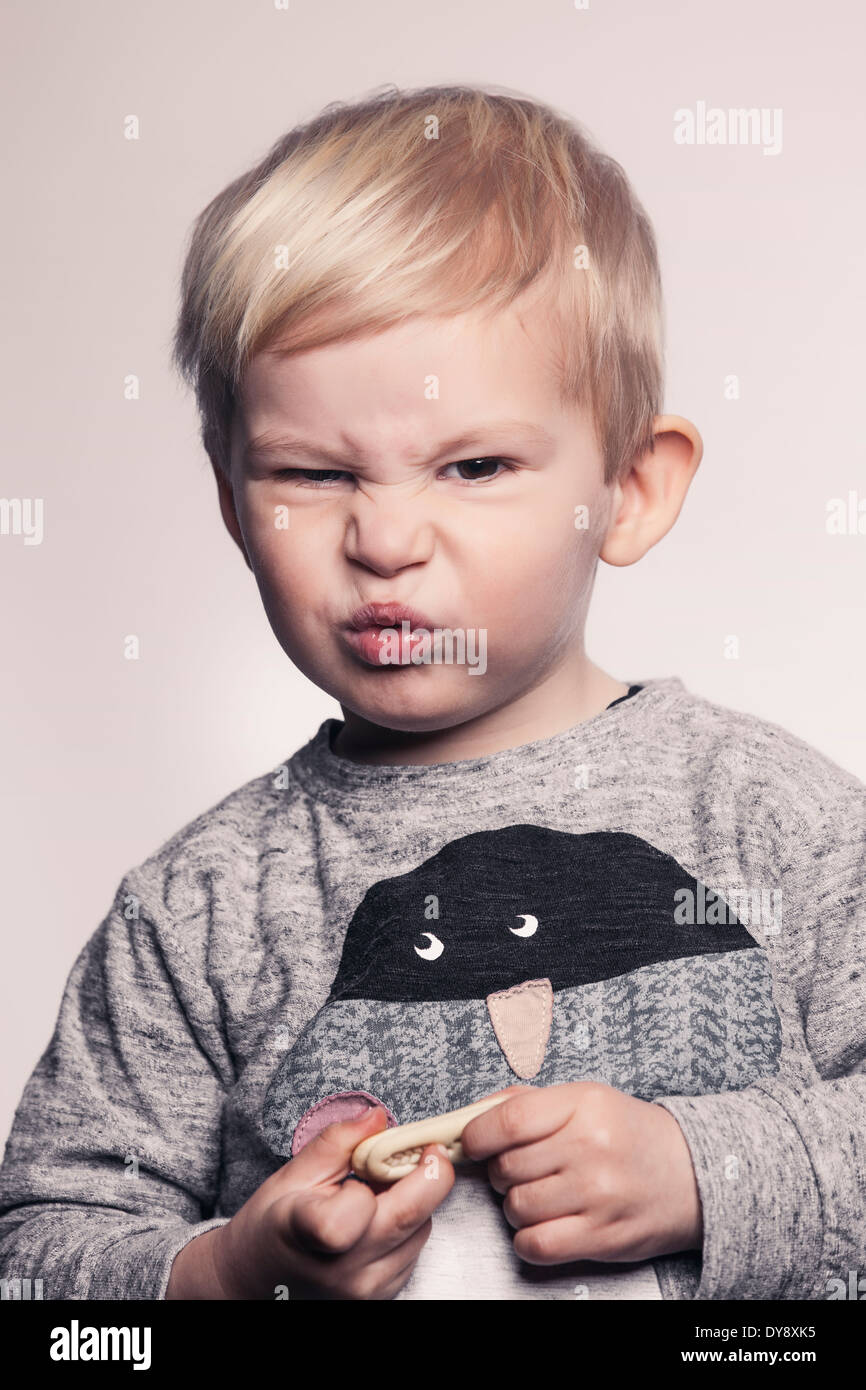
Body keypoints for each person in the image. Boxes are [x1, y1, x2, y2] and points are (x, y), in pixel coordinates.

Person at [0, 83, 863, 1302]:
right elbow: (40, 1265)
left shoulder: (775, 820)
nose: (385, 538)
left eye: (473, 465)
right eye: (310, 471)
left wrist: (702, 1170)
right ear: (231, 500)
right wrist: (231, 1274)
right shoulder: (197, 906)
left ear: (627, 487)